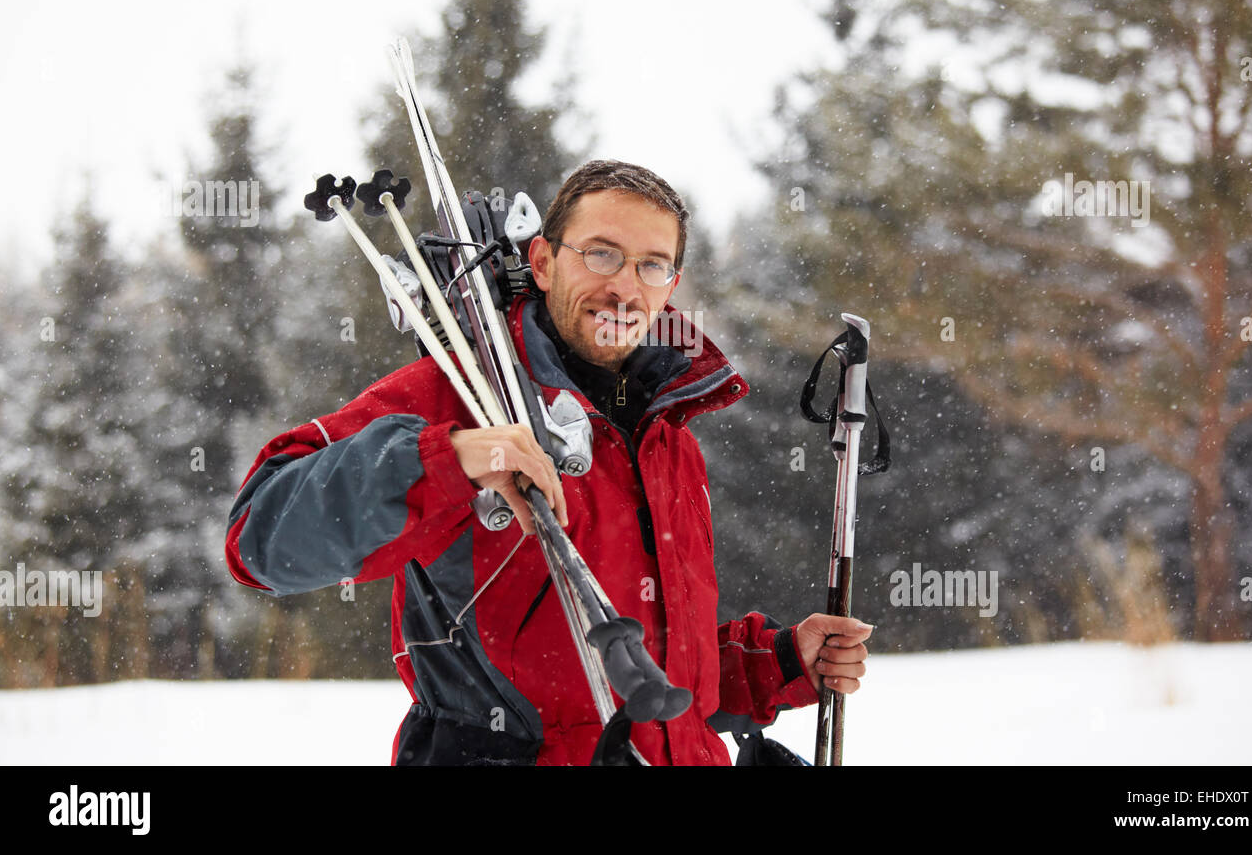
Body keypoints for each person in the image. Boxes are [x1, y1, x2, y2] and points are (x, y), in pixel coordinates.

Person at [225, 159, 871, 765]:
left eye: (652, 265)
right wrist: (449, 458)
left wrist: (775, 661)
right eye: (601, 254)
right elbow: (260, 539)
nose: (624, 286)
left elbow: (651, 676)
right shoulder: (459, 394)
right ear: (541, 260)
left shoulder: (669, 439)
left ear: (671, 284)